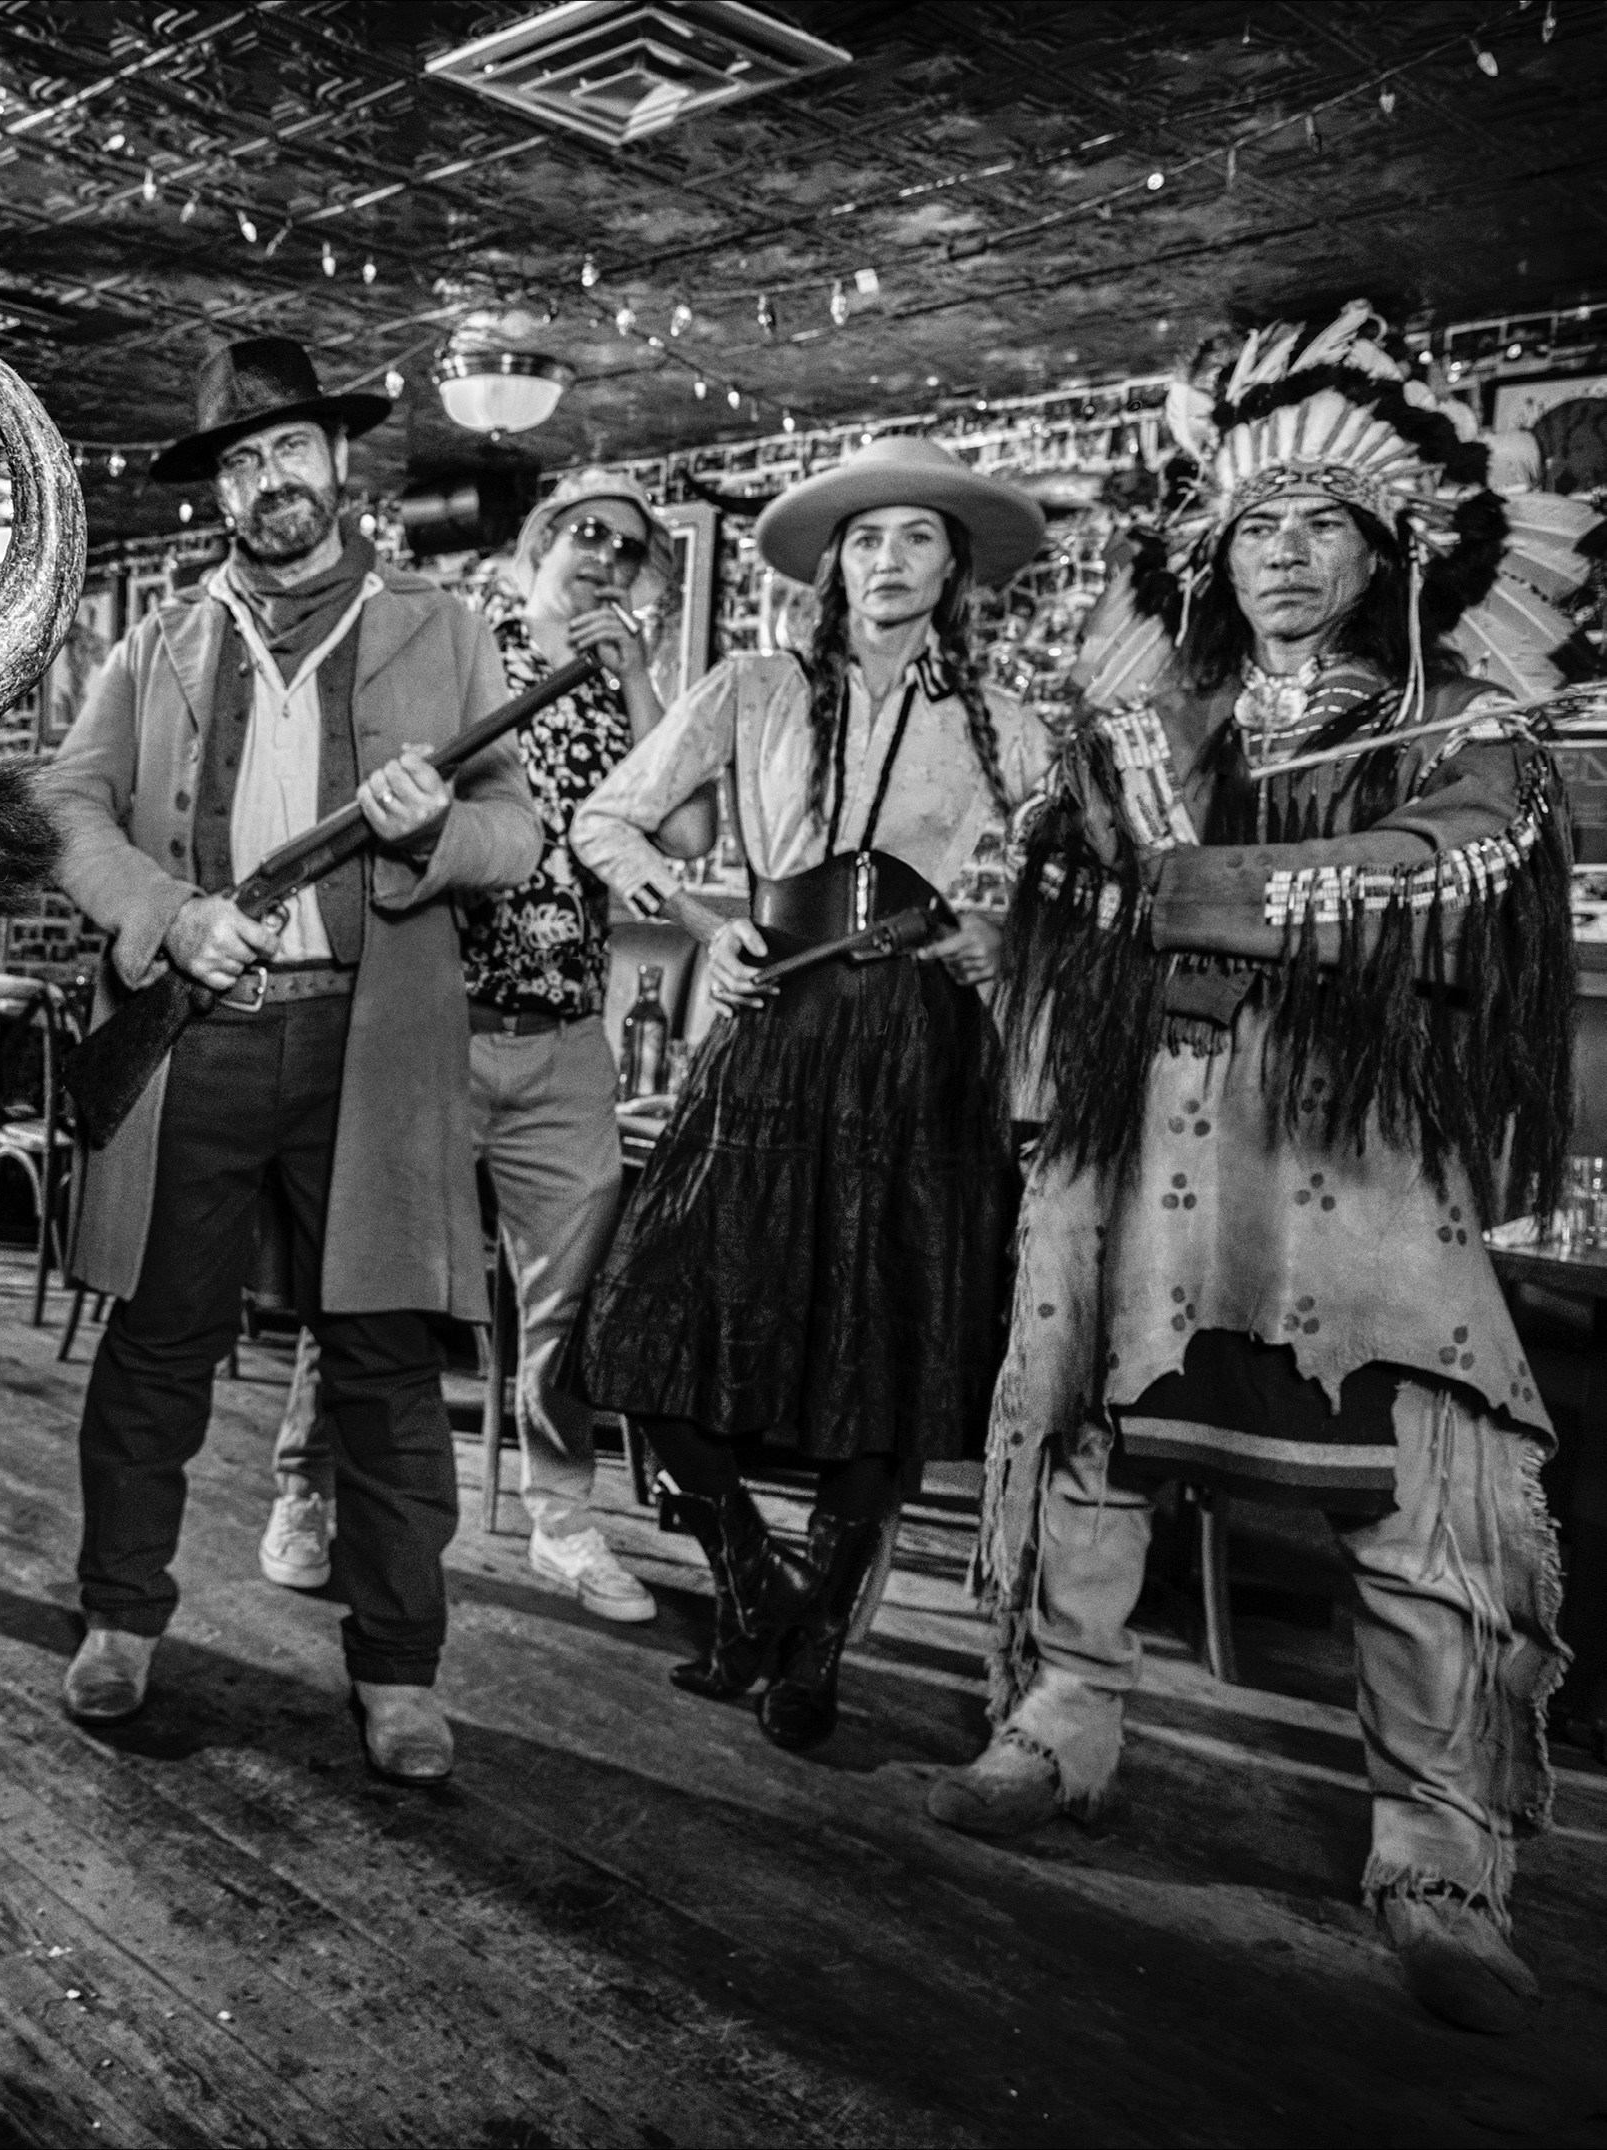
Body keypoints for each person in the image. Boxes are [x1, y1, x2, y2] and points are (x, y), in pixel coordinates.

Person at [931, 303, 1589, 2034]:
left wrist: (1191, 883)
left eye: (1321, 524)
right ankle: (1058, 1722)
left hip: (1352, 1149)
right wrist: (1080, 834)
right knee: (1093, 1428)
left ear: (1390, 552)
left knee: (1414, 1479)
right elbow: (1069, 891)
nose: (1284, 554)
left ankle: (1437, 1854)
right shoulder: (1166, 721)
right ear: (1212, 559)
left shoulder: (1465, 725)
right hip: (1152, 1131)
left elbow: (1441, 868)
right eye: (1255, 528)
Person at [36, 335, 543, 1784]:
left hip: (367, 1045)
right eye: (243, 460)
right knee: (155, 1348)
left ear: (339, 461)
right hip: (198, 1040)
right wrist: (169, 914)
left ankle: (398, 1668)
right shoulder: (157, 643)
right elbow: (67, 803)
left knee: (382, 1366)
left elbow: (516, 833)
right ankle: (120, 1618)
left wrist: (432, 830)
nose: (271, 480)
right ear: (223, 489)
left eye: (291, 452)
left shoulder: (440, 629)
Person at [567, 435, 1050, 1753]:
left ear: (952, 568)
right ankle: (754, 1585)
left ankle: (816, 1635)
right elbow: (606, 820)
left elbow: (1078, 877)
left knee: (882, 1338)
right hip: (770, 1024)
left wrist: (1006, 931)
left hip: (919, 1044)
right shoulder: (754, 684)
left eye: (917, 538)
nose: (890, 560)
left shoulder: (1007, 723)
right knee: (643, 1316)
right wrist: (700, 920)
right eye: (866, 538)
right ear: (833, 565)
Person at [263, 470, 694, 1626]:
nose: (604, 555)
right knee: (372, 1274)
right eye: (584, 532)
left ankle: (562, 1516)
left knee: (567, 1301)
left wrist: (638, 677)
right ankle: (305, 1485)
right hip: (432, 1026)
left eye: (629, 547)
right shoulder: (461, 652)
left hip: (564, 1039)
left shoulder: (624, 690)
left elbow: (690, 826)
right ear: (537, 544)